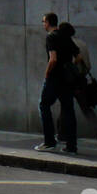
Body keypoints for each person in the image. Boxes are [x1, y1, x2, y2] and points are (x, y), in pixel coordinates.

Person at [56, 22, 97, 148]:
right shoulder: (82, 44)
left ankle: (61, 135)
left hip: (67, 82)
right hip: (81, 81)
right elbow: (88, 65)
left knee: (64, 108)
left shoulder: (63, 44)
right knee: (86, 109)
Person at [34, 12, 77, 154]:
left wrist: (47, 73)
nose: (43, 24)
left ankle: (49, 142)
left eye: (43, 21)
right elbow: (79, 56)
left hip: (54, 78)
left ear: (48, 23)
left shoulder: (51, 37)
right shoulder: (66, 37)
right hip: (67, 80)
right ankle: (71, 146)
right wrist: (69, 67)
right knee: (68, 110)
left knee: (44, 105)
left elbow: (53, 59)